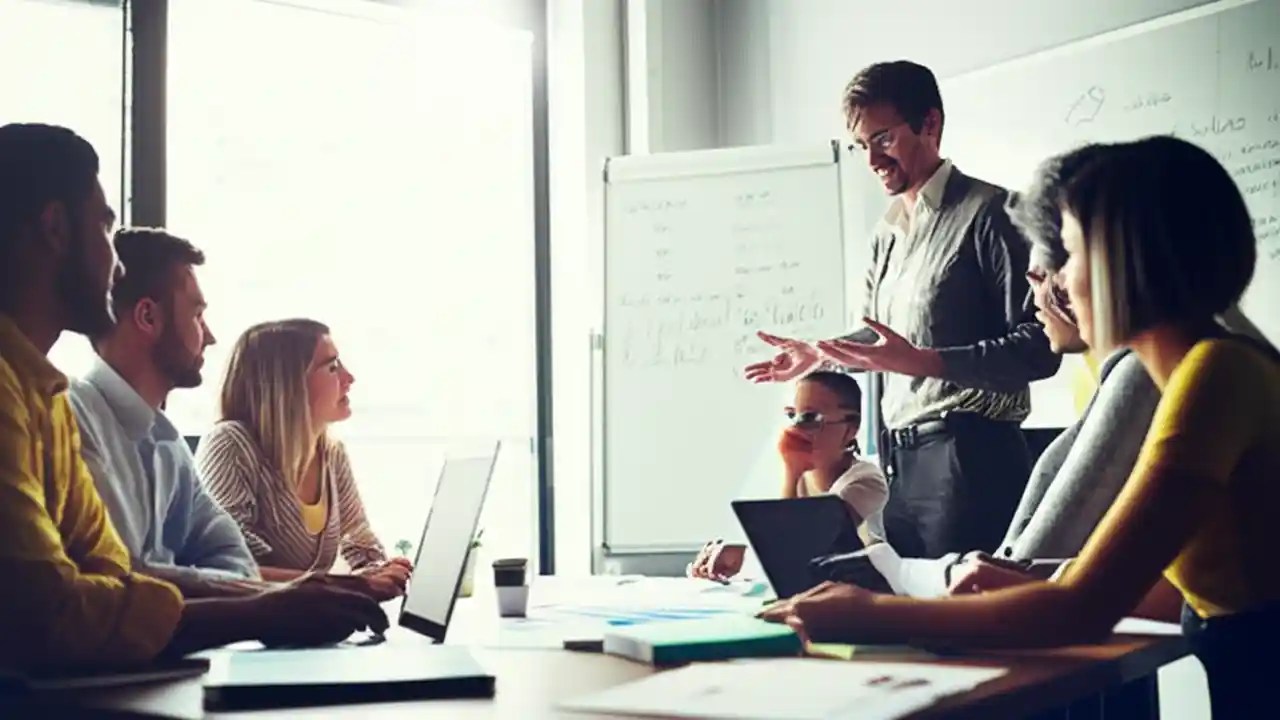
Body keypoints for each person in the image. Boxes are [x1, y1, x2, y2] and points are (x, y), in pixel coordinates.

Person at [758, 136, 1280, 717]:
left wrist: (866, 613)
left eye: (1071, 253)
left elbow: (1085, 610)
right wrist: (1034, 585)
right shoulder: (1216, 368)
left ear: (1122, 261)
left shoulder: (1213, 377)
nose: (1054, 278)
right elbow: (1173, 590)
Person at [0, 123, 386, 671]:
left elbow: (117, 578)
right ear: (55, 228)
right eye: (106, 231)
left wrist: (271, 600)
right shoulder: (29, 400)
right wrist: (263, 611)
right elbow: (51, 613)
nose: (115, 267)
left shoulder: (49, 400)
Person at [743, 61, 1060, 558]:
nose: (871, 159)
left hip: (971, 456)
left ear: (929, 125)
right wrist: (819, 354)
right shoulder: (886, 234)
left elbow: (1040, 347)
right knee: (905, 614)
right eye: (860, 144)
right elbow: (883, 342)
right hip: (899, 460)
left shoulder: (993, 213)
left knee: (958, 623)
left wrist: (924, 361)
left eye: (883, 138)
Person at [860, 144, 1162, 599]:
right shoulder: (1121, 374)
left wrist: (877, 600)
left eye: (1067, 252)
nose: (1034, 275)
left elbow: (1039, 585)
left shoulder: (1146, 377)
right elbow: (1029, 567)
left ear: (1113, 261)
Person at [68, 228, 260, 597]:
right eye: (198, 314)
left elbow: (238, 563)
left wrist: (182, 581)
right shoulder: (75, 421)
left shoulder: (168, 443)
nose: (210, 335)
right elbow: (122, 579)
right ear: (147, 317)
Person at [197, 319, 410, 599]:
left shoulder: (331, 453)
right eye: (332, 367)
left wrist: (385, 572)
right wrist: (351, 584)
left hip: (302, 633)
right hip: (246, 637)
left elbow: (360, 544)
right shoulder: (230, 444)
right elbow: (234, 566)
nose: (349, 378)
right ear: (287, 383)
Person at [688, 372, 888, 581]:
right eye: (791, 416)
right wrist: (737, 556)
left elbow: (802, 550)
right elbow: (778, 544)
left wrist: (792, 474)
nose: (795, 429)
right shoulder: (792, 471)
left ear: (850, 429)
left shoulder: (866, 481)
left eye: (809, 418)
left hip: (860, 597)